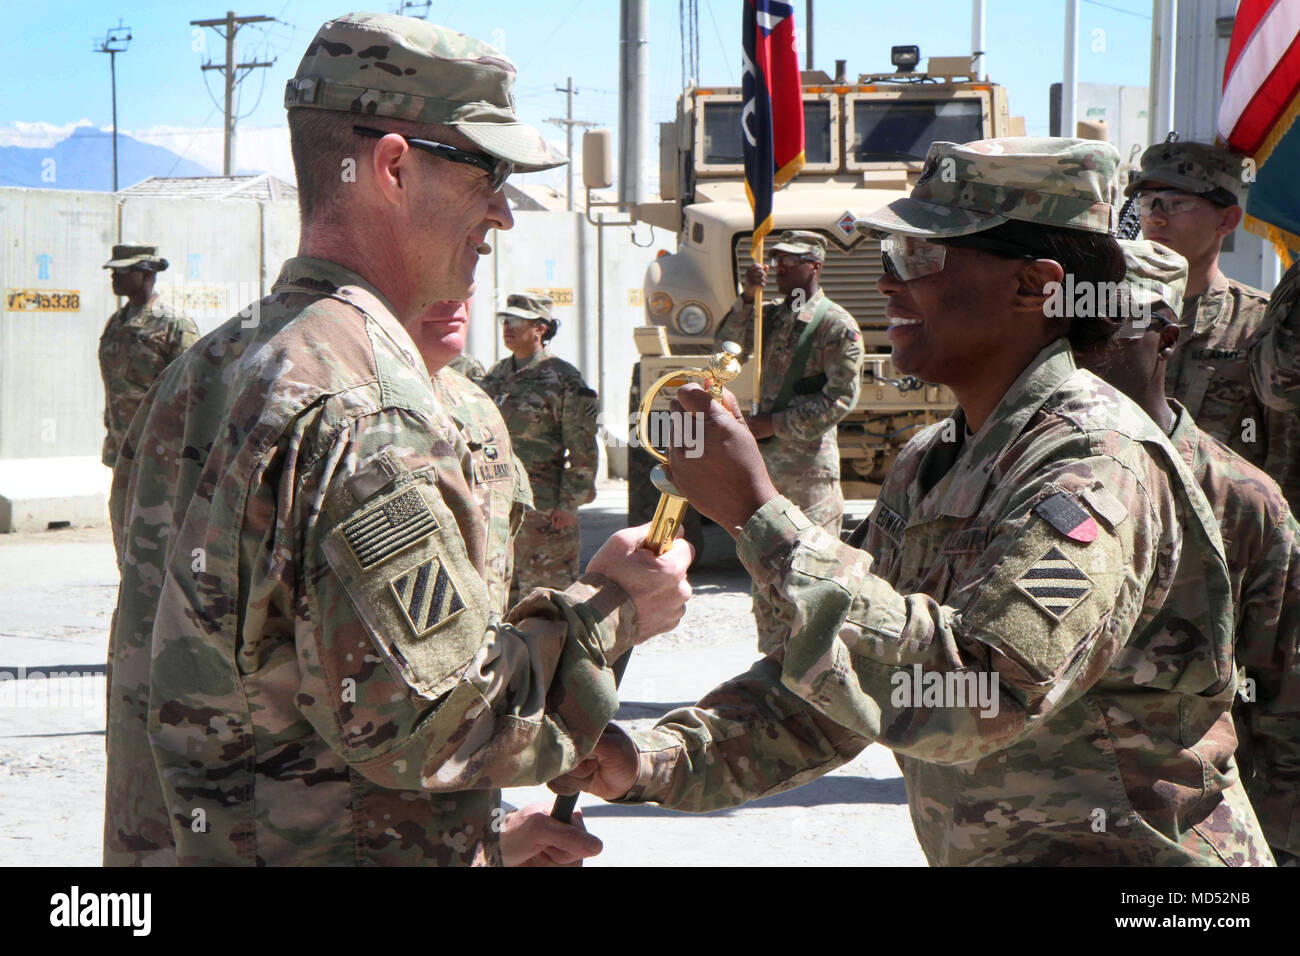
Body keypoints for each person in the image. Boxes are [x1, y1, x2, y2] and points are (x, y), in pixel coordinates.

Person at [552, 137, 1273, 866]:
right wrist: (653, 758)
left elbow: (983, 693)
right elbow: (848, 675)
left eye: (919, 257)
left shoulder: (1095, 459)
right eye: (889, 254)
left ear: (1035, 286)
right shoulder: (932, 459)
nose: (889, 281)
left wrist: (759, 513)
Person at [103, 13, 692, 867]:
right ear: (392, 167)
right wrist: (614, 610)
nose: (503, 212)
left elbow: (268, 697)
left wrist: (484, 837)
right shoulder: (368, 405)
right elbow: (439, 722)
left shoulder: (206, 370)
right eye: (487, 173)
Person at [1073, 239, 1300, 864]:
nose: (1078, 345)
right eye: (1064, 321)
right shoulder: (1010, 471)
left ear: (1165, 336)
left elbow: (1283, 699)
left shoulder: (1242, 501)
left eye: (1107, 325)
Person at [715, 229, 863, 654]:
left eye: (790, 260)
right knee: (766, 575)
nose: (778, 267)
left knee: (809, 576)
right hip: (768, 474)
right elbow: (728, 349)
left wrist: (774, 424)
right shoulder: (774, 316)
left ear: (815, 265)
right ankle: (773, 670)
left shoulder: (836, 326)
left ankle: (812, 675)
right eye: (776, 259)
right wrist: (747, 298)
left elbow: (839, 400)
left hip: (809, 474)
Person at [1125, 136, 1294, 501]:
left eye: (1177, 202)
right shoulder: (1116, 320)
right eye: (1146, 202)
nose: (1155, 216)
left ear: (1228, 218)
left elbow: (1283, 472)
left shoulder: (1259, 328)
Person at [482, 293, 599, 606]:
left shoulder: (563, 379)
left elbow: (583, 448)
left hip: (545, 510)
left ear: (541, 329)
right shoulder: (496, 375)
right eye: (505, 320)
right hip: (501, 506)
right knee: (504, 600)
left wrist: (569, 504)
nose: (507, 327)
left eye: (516, 321)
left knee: (549, 603)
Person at [98, 243, 198, 467]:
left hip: (160, 454)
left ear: (146, 273)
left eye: (122, 271)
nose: (114, 277)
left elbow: (194, 390)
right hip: (121, 447)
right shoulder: (116, 323)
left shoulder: (174, 324)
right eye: (113, 271)